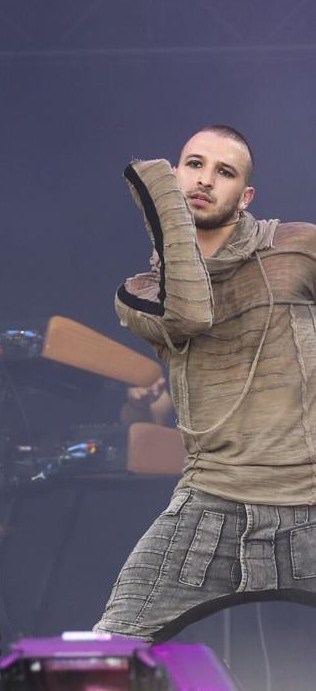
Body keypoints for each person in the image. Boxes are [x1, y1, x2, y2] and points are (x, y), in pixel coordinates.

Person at [97, 125, 316, 640]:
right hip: (211, 506)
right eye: (193, 165)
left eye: (224, 171)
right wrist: (163, 206)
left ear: (246, 196)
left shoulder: (300, 246)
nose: (205, 180)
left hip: (310, 497)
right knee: (108, 649)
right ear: (173, 178)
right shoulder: (139, 292)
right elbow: (191, 315)